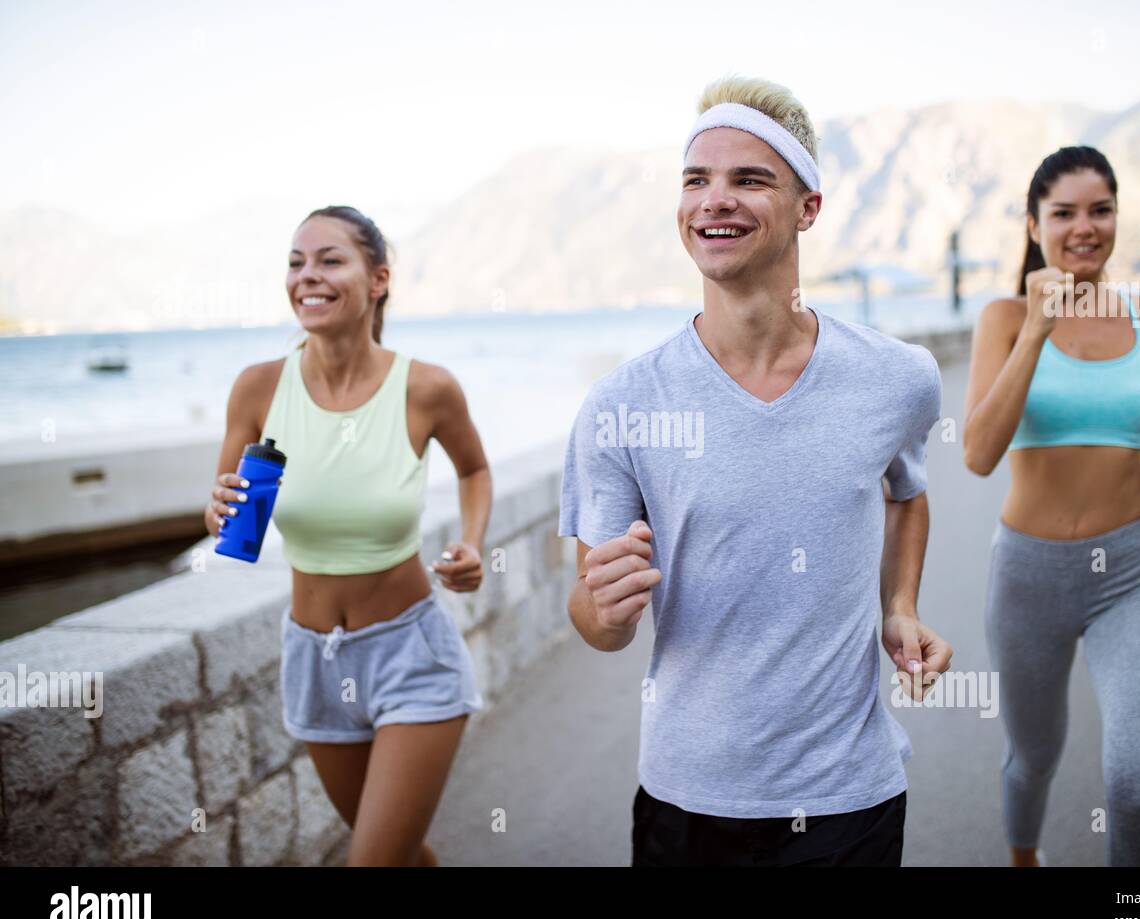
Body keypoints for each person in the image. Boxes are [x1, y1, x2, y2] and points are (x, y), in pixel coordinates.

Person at [559, 77, 951, 867]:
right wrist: (604, 608)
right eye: (697, 179)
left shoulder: (897, 377)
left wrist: (899, 606)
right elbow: (596, 623)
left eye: (749, 180)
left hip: (849, 796)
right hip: (687, 799)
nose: (715, 200)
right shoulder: (621, 404)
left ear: (808, 207)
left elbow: (907, 494)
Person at [963, 146, 1140, 866]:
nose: (1085, 227)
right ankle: (1025, 860)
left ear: (1117, 217)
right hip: (1027, 577)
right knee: (1034, 757)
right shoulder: (1002, 319)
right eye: (1064, 213)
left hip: (1136, 577)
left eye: (1101, 209)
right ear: (1033, 224)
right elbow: (978, 452)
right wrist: (1037, 329)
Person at [204, 205, 491, 866]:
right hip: (315, 660)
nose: (308, 275)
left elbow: (473, 469)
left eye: (330, 259)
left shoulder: (426, 388)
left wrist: (473, 542)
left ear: (378, 278)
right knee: (397, 852)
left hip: (410, 654)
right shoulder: (257, 388)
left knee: (370, 861)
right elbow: (220, 512)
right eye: (296, 262)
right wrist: (217, 508)